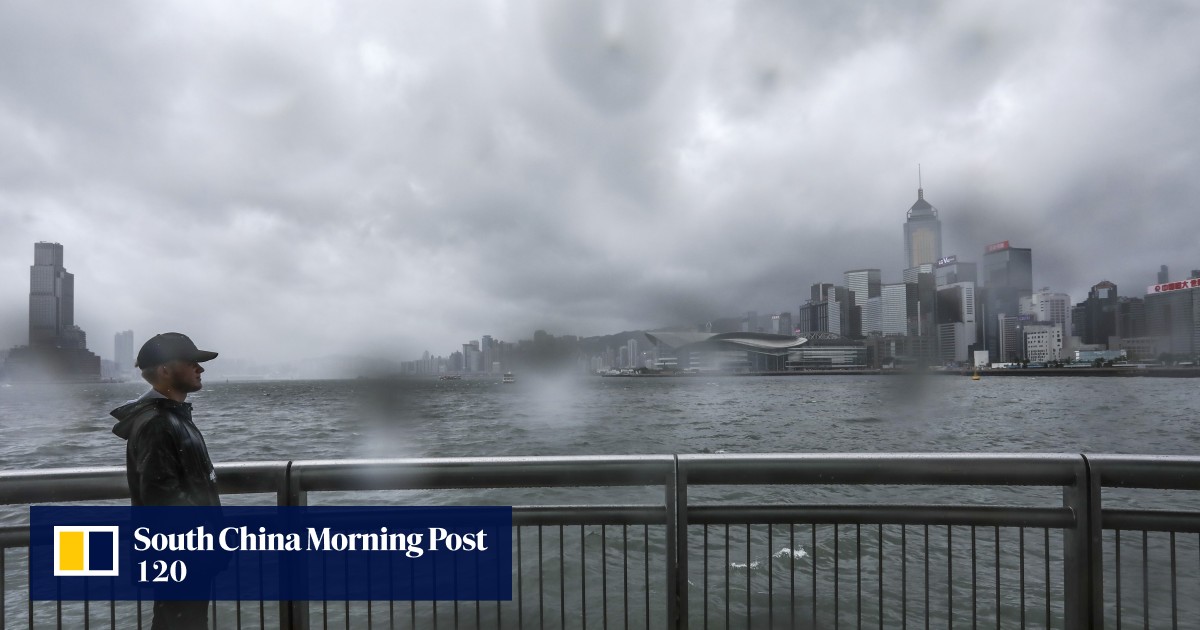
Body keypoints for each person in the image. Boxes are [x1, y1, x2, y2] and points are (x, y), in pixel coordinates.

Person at [111, 332, 220, 629]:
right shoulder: (159, 423)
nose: (201, 368)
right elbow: (161, 495)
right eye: (191, 362)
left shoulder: (170, 417)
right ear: (164, 370)